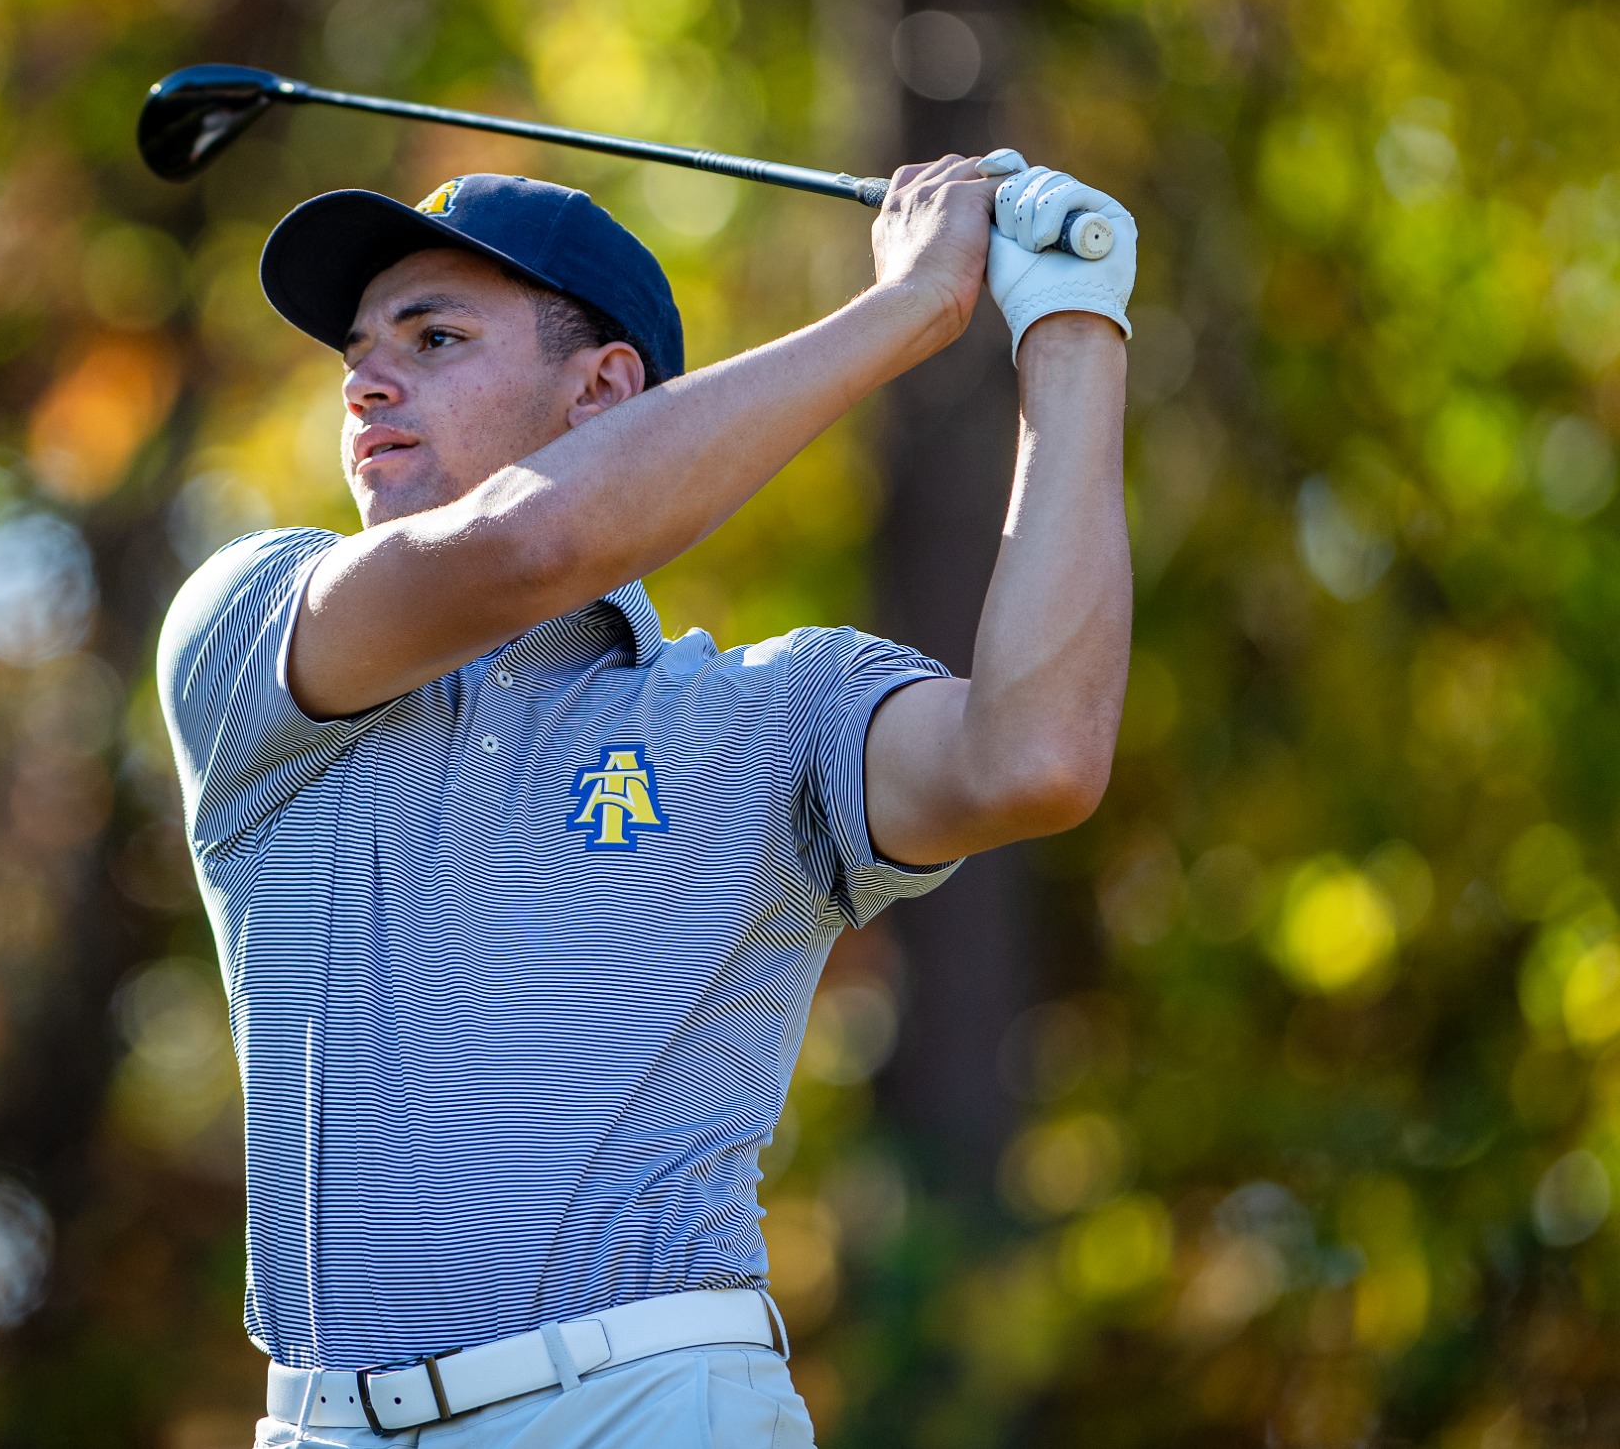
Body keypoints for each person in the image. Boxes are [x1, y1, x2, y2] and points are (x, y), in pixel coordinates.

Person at [158, 153, 1136, 1447]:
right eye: (359, 349)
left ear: (603, 392)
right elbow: (528, 545)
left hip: (653, 1408)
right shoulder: (251, 631)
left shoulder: (770, 714)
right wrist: (905, 312)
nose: (366, 381)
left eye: (434, 337)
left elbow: (1035, 758)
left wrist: (1073, 331)